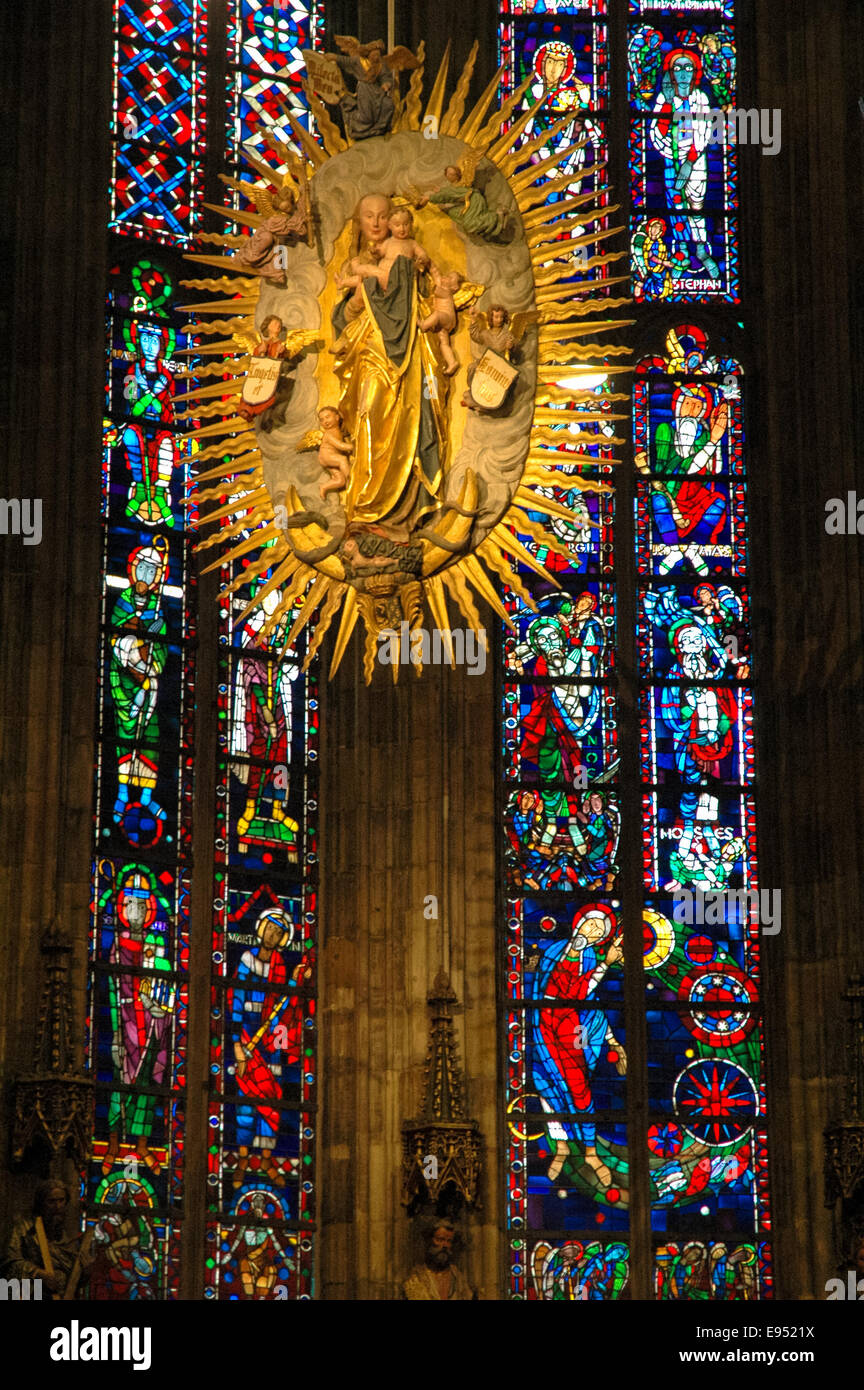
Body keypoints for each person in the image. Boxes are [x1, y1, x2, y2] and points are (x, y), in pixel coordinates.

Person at [330, 193, 447, 544]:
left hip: (409, 356)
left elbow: (425, 295)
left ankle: (401, 514)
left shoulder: (406, 256)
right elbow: (342, 320)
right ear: (360, 223)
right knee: (368, 419)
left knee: (412, 419)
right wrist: (358, 297)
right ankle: (365, 508)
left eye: (385, 216)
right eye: (370, 217)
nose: (379, 223)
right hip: (370, 357)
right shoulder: (357, 266)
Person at [528, 905, 626, 1187]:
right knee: (546, 1087)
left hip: (571, 1030)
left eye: (600, 931)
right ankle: (561, 1146)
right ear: (579, 922)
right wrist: (604, 964)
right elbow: (554, 986)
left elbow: (586, 998)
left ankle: (590, 1154)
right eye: (591, 924)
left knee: (580, 1088)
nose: (593, 932)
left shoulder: (591, 958)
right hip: (544, 1027)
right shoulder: (553, 951)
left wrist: (614, 1043)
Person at [228, 909, 311, 1189]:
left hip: (272, 1040)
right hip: (248, 1035)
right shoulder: (246, 960)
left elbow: (284, 1004)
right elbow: (236, 999)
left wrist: (297, 978)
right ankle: (242, 1160)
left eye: (278, 933)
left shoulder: (279, 965)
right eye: (269, 929)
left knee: (270, 1101)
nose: (273, 936)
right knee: (245, 1103)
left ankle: (265, 1161)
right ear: (261, 929)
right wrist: (237, 1045)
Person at [2, 1182, 91, 1299]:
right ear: (41, 1204)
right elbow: (9, 1262)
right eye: (51, 1202)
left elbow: (72, 1280)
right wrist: (38, 1273)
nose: (57, 1207)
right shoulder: (24, 1230)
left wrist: (84, 1272)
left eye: (61, 1201)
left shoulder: (67, 1239)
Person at [417, 164, 506, 241]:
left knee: (469, 224)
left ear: (457, 174)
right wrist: (439, 192)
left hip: (473, 199)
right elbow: (447, 194)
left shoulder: (459, 186)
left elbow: (448, 195)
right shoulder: (452, 188)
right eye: (447, 173)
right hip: (469, 202)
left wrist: (429, 198)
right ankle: (494, 223)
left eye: (451, 173)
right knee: (458, 215)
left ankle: (497, 216)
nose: (449, 175)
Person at [403, 1220, 474, 1300]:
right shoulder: (416, 1278)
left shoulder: (458, 1278)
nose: (445, 1245)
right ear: (429, 1241)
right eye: (440, 1240)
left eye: (448, 1241)